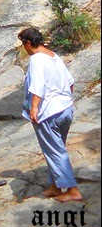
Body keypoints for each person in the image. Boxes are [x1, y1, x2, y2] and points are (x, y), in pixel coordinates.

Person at [17, 26, 83, 202]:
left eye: (23, 44)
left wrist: (34, 108)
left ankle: (72, 190)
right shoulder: (54, 56)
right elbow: (70, 83)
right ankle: (55, 185)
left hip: (49, 113)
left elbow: (38, 85)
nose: (24, 48)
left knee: (55, 151)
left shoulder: (37, 60)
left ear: (28, 43)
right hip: (65, 108)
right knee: (55, 148)